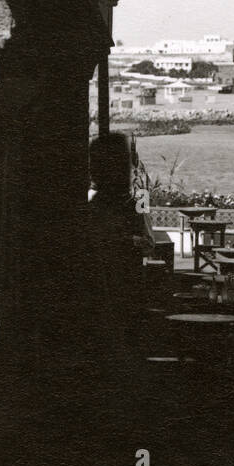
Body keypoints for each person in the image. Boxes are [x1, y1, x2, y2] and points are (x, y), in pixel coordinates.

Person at [87, 133, 154, 342]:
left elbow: (148, 243)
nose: (128, 170)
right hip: (111, 301)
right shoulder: (92, 209)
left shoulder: (136, 202)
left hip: (127, 296)